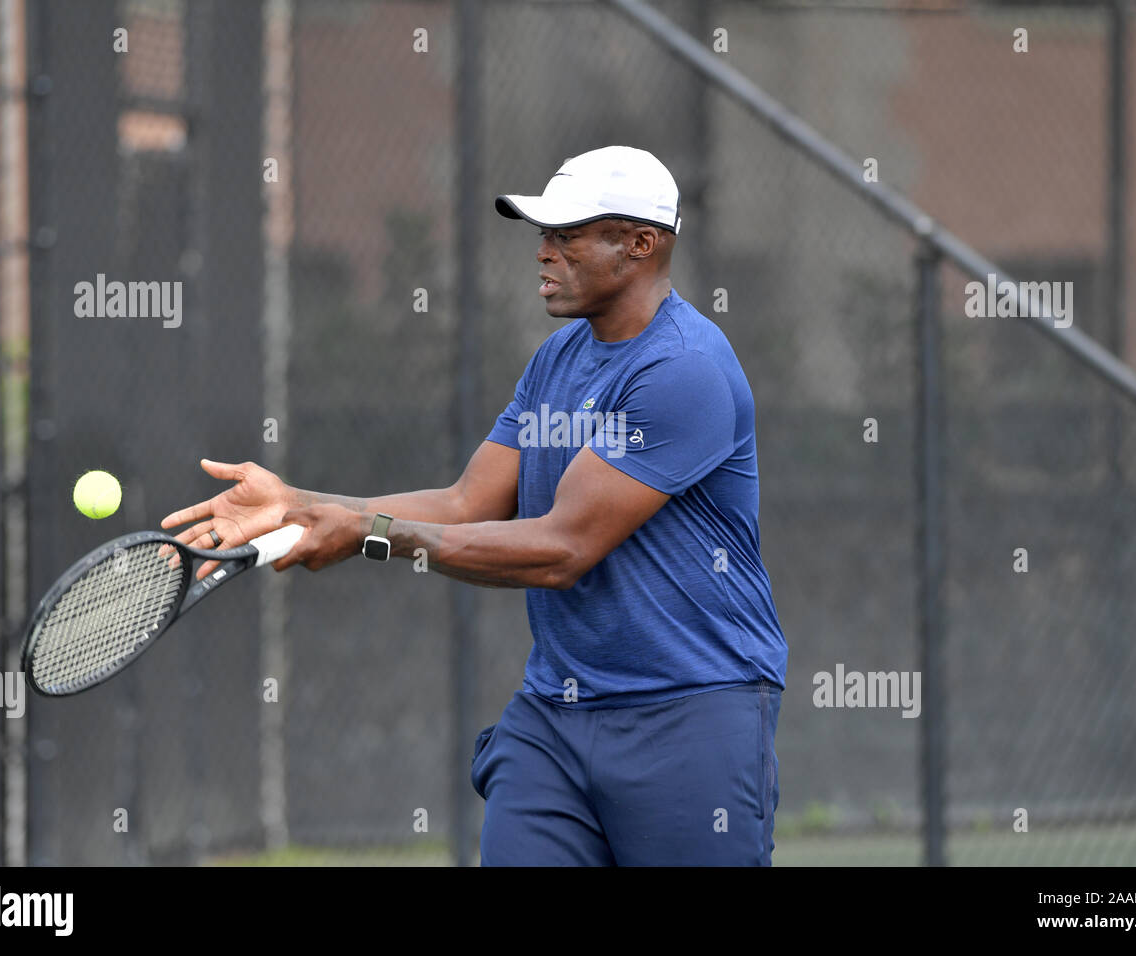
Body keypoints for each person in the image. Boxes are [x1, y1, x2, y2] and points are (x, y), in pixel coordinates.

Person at [161, 145, 788, 865]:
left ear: (640, 245)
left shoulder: (685, 371)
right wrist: (299, 506)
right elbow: (467, 503)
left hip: (690, 713)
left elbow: (561, 550)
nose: (543, 253)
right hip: (555, 719)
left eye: (567, 235)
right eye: (541, 235)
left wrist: (369, 531)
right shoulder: (557, 359)